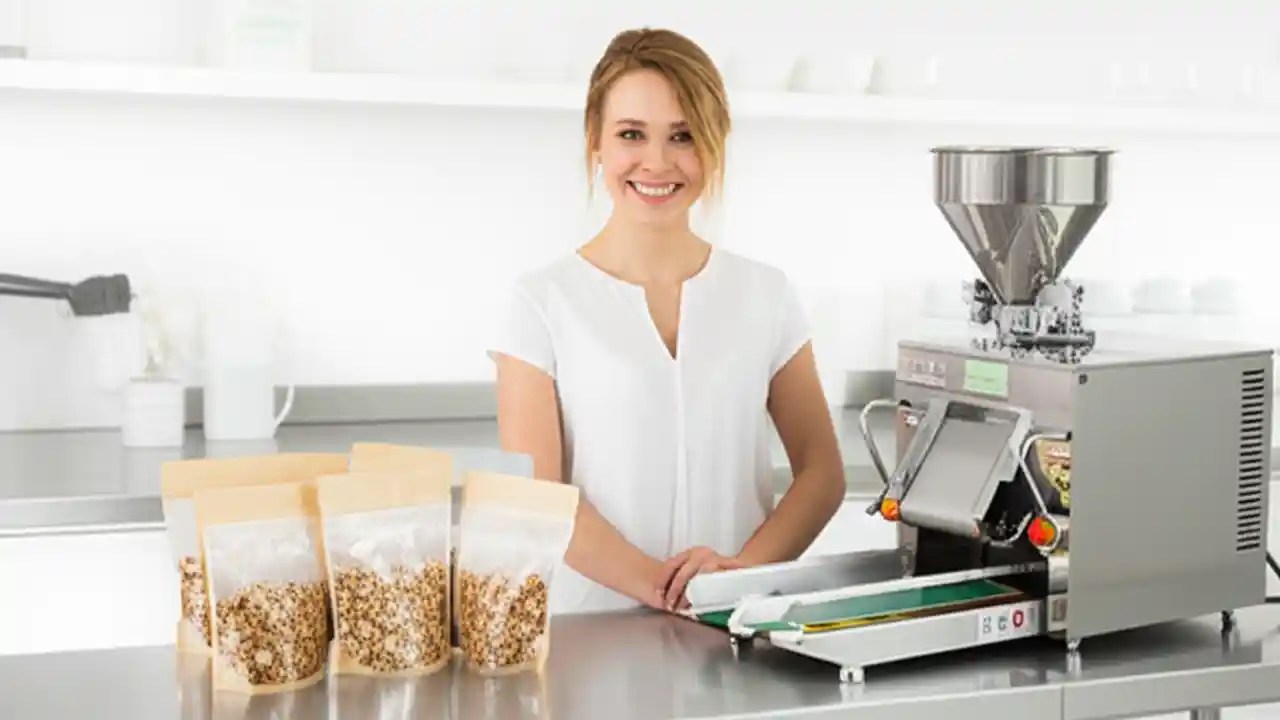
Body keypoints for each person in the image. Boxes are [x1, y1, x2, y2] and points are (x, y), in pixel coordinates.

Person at [487, 27, 846, 615]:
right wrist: (669, 588)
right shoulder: (538, 303)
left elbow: (822, 472)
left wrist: (736, 577)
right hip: (591, 634)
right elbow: (538, 496)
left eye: (682, 136)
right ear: (595, 142)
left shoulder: (766, 294)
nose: (656, 162)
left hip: (736, 624)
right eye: (632, 134)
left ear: (713, 143)